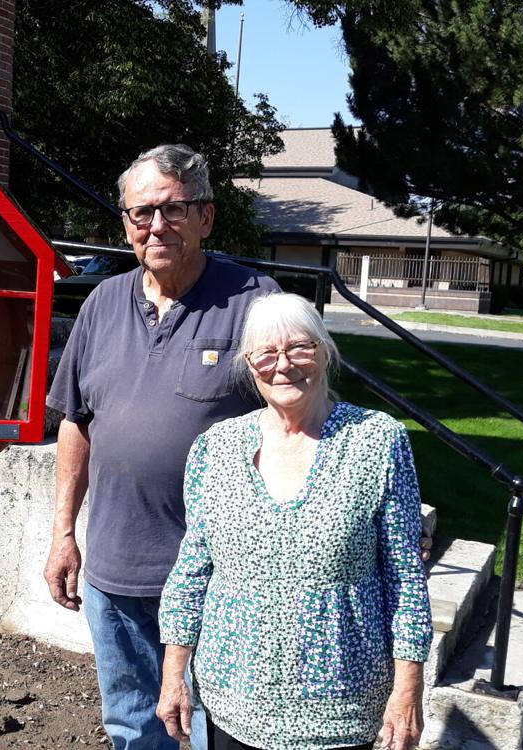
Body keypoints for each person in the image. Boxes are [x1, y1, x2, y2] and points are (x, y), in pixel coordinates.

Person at [44, 144, 281, 749]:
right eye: (140, 213)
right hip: (115, 570)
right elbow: (77, 421)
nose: (156, 225)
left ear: (205, 216)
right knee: (131, 723)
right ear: (124, 223)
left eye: (173, 209)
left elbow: (297, 418)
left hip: (218, 578)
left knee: (213, 729)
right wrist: (64, 533)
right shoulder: (101, 302)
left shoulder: (256, 300)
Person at [155, 293, 432, 750]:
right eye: (266, 353)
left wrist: (407, 690)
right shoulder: (215, 448)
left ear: (324, 351)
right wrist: (173, 676)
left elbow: (404, 577)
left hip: (343, 705)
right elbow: (191, 570)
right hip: (233, 701)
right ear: (249, 365)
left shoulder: (377, 441)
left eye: (300, 347)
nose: (283, 365)